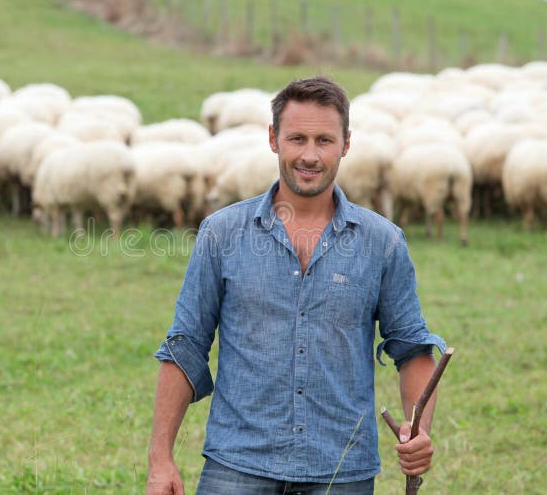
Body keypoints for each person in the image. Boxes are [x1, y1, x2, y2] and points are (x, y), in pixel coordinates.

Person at [146, 77, 446, 495]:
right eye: (297, 138)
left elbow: (412, 350)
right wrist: (161, 460)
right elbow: (185, 346)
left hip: (340, 471)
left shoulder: (383, 242)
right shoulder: (222, 233)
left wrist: (419, 429)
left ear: (346, 144)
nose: (310, 155)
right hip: (238, 466)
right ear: (273, 139)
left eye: (324, 140)